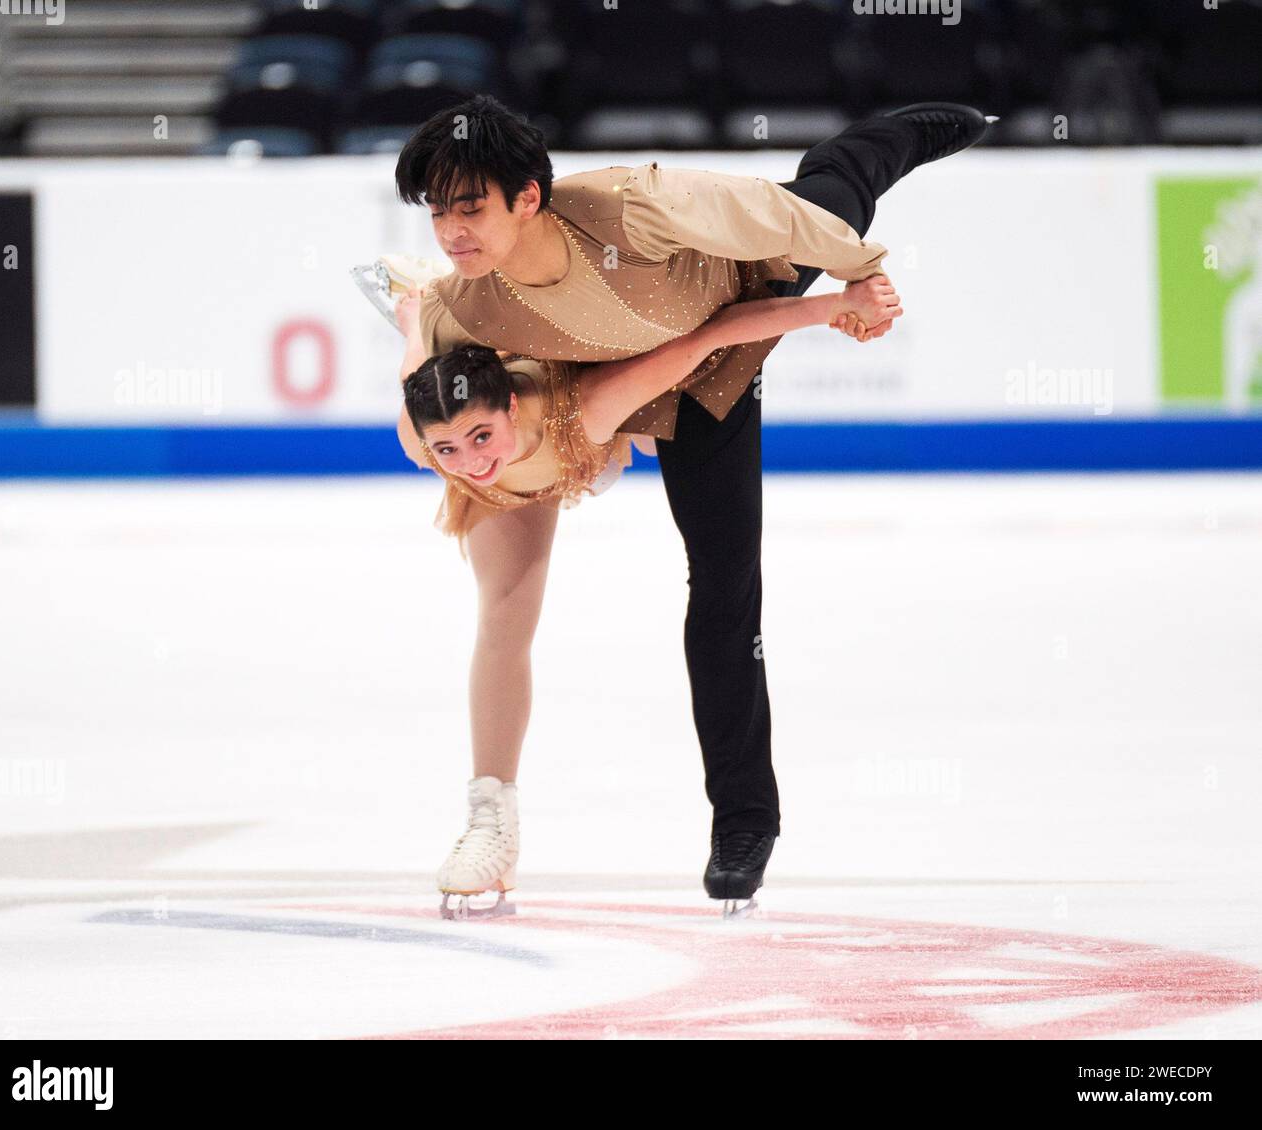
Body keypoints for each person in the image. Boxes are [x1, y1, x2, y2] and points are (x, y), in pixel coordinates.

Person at [392, 94, 990, 914]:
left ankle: (744, 822)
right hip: (611, 390)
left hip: (722, 341)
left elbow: (772, 218)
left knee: (723, 582)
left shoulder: (632, 207)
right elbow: (427, 400)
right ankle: (498, 817)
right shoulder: (464, 304)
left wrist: (859, 276)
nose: (452, 230)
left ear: (528, 196)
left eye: (470, 208)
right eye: (437, 213)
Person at [395, 277, 902, 917]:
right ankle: (490, 822)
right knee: (503, 616)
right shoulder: (428, 440)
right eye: (448, 449)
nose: (468, 461)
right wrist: (414, 317)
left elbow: (712, 334)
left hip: (572, 414)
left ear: (512, 412)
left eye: (478, 439)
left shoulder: (587, 407)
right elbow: (417, 372)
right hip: (511, 462)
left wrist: (833, 306)